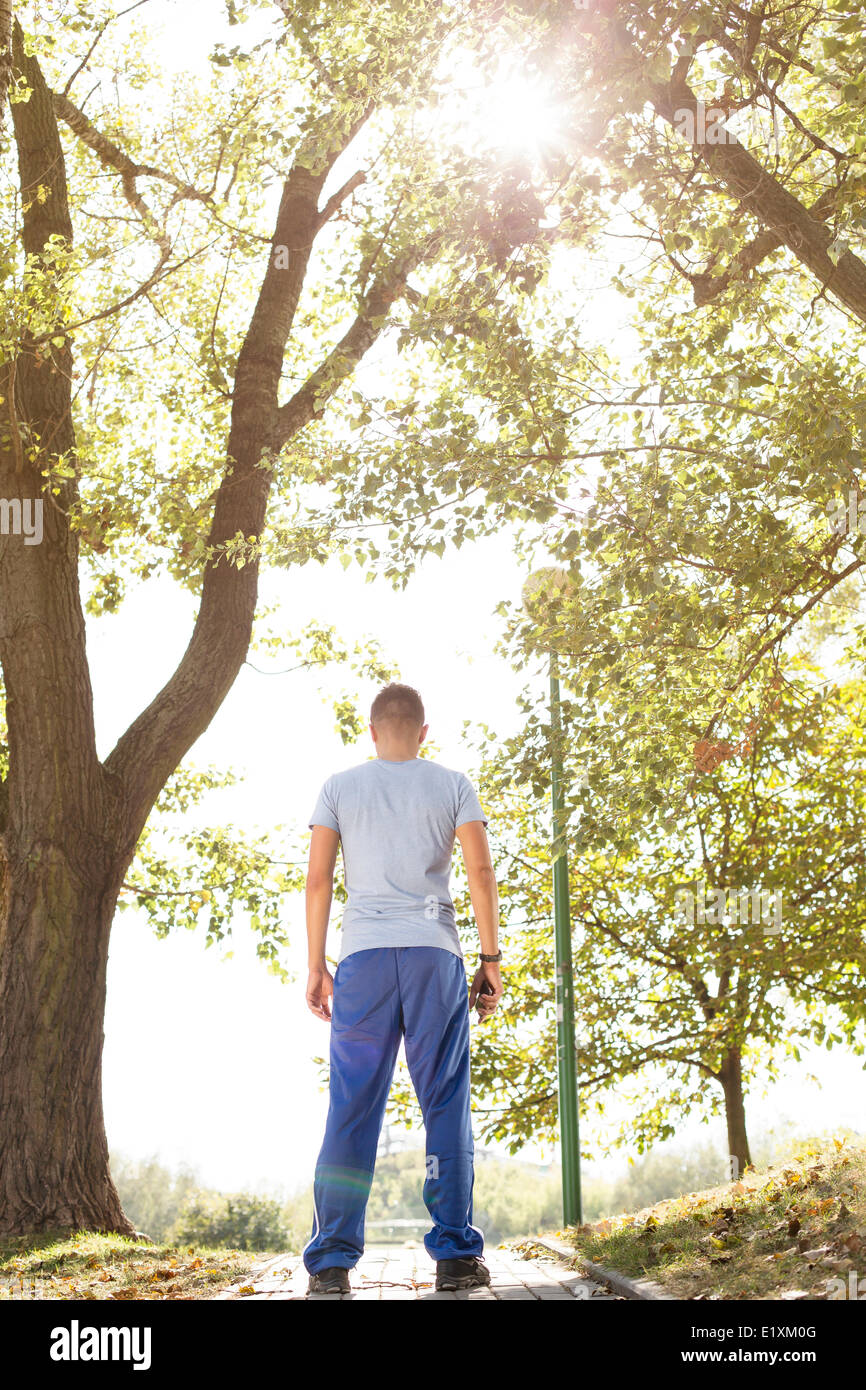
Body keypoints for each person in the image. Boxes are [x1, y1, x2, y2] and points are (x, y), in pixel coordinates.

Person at [302, 681, 503, 1295]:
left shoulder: (340, 787)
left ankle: (332, 1264)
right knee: (444, 1101)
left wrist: (317, 966)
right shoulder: (451, 784)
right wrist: (491, 959)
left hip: (361, 962)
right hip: (433, 957)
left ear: (371, 730)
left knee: (352, 1106)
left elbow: (317, 883)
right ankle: (454, 1256)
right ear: (422, 731)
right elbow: (479, 870)